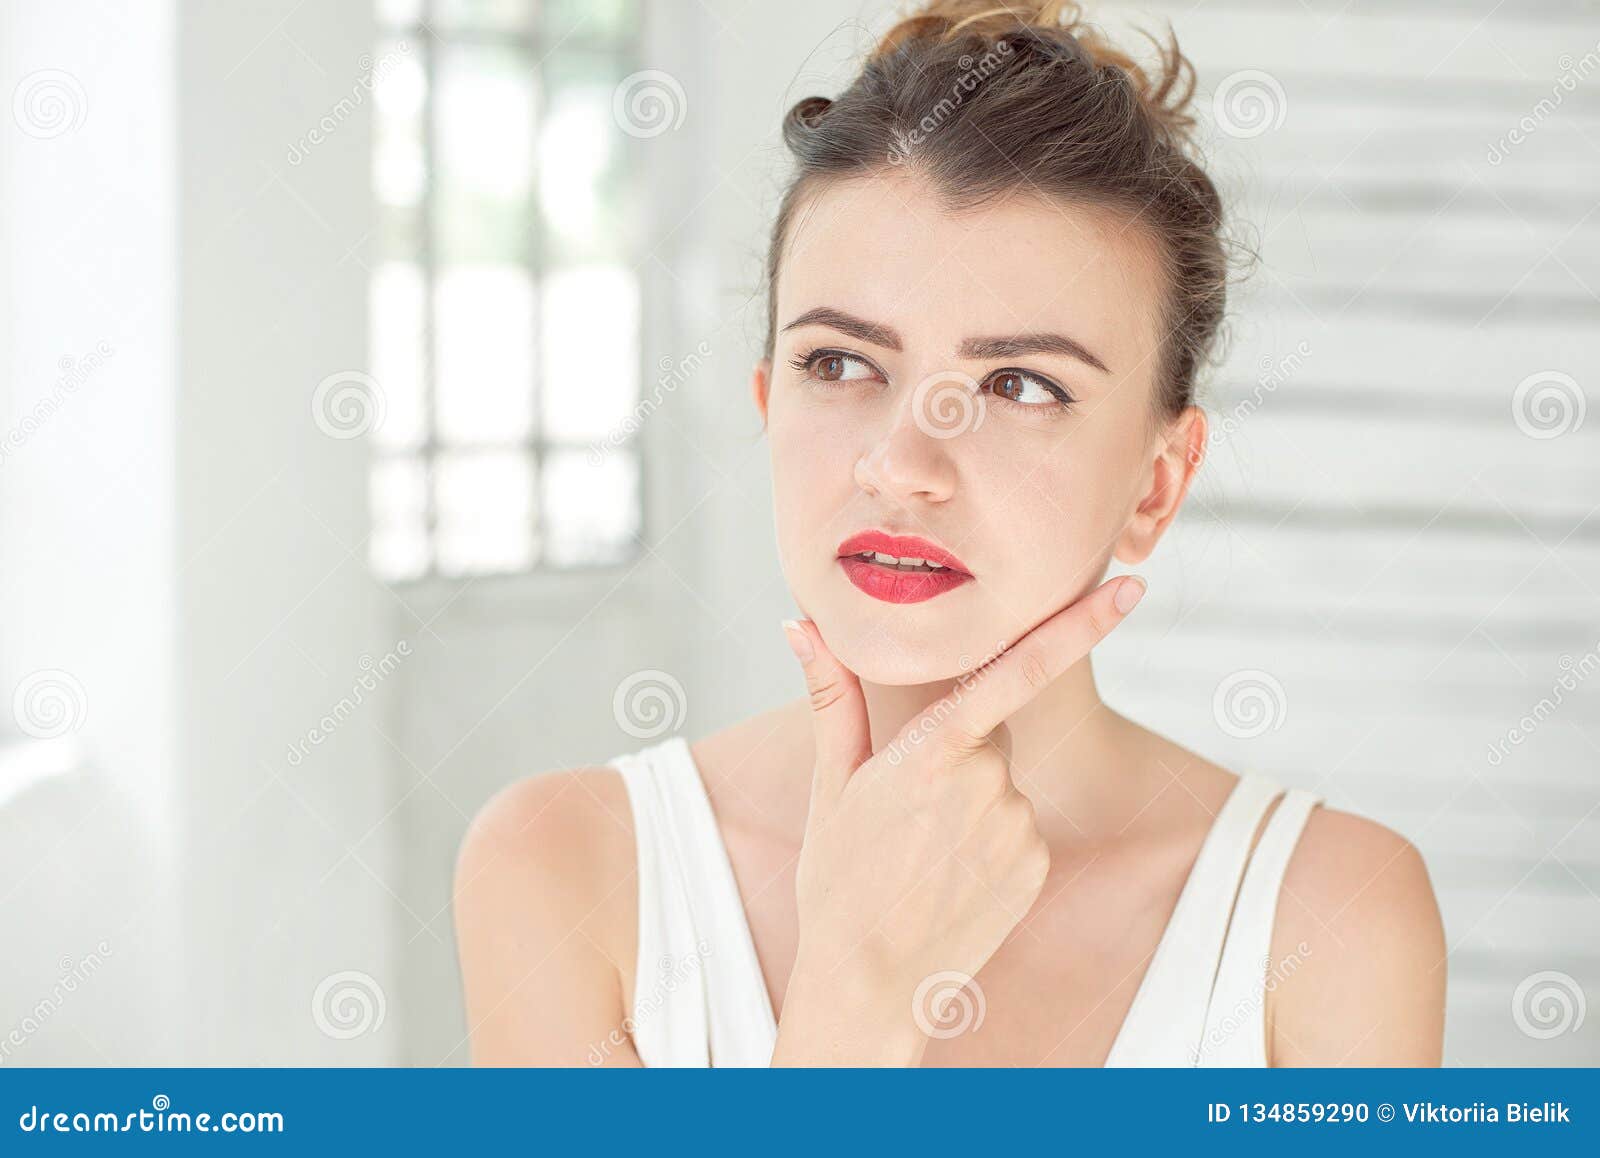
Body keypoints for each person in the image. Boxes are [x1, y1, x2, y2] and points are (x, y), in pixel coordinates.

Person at [454, 0, 1446, 1067]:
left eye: (1018, 384)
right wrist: (854, 1002)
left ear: (1156, 485)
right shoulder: (565, 866)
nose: (902, 466)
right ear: (767, 404)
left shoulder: (1333, 915)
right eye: (838, 364)